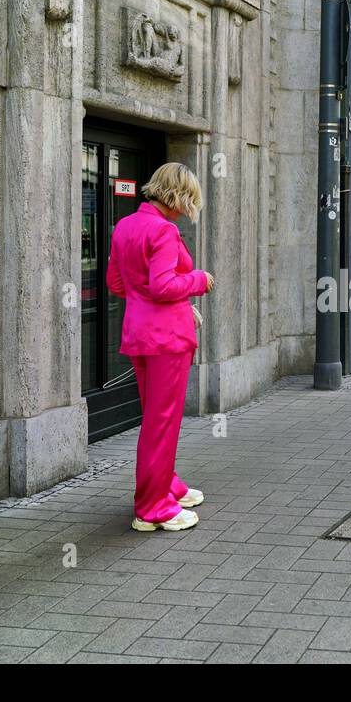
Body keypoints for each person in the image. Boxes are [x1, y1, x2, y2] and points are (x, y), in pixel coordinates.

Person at [107, 162, 214, 532]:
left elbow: (117, 283)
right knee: (162, 422)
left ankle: (166, 485)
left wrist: (179, 304)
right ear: (178, 196)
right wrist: (198, 280)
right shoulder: (164, 231)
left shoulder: (125, 225)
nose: (188, 209)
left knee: (157, 418)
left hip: (139, 334)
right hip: (167, 340)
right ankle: (153, 507)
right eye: (189, 201)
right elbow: (164, 286)